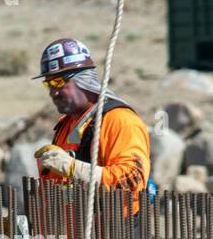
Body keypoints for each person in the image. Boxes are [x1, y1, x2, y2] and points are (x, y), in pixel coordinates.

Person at [32, 36, 151, 213]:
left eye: (59, 82)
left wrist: (74, 168)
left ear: (83, 79)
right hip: (73, 236)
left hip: (113, 236)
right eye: (48, 84)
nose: (53, 93)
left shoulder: (120, 121)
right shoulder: (66, 125)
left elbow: (132, 180)